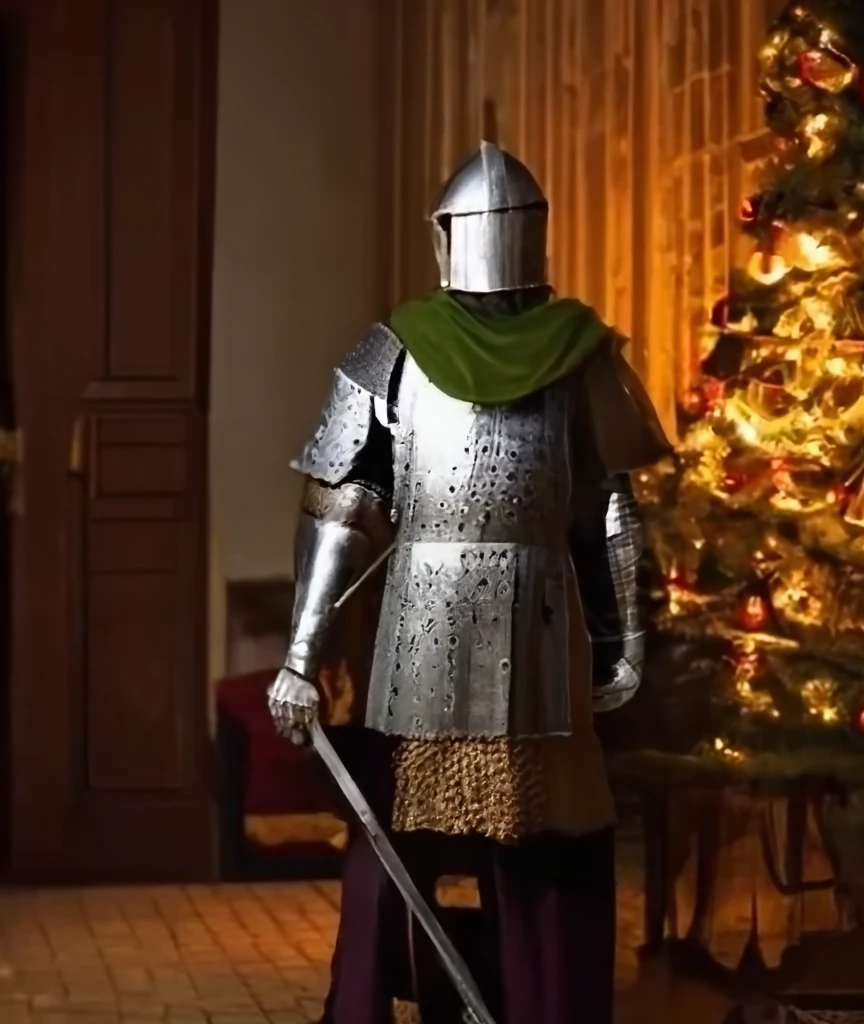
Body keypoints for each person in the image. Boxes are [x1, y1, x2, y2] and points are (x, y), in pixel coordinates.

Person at [267, 141, 670, 1024]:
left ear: (450, 237)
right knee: (523, 857)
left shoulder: (400, 352)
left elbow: (341, 511)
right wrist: (622, 642)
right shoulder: (568, 352)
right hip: (514, 631)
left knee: (462, 854)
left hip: (453, 627)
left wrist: (303, 653)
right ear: (534, 235)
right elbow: (608, 511)